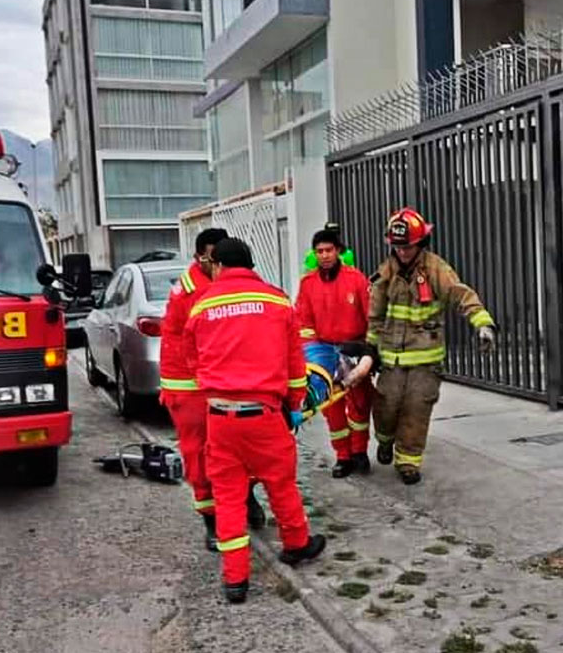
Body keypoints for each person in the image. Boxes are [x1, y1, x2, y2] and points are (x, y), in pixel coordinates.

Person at [184, 237, 326, 604]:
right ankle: (296, 544)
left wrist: (216, 386)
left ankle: (235, 581)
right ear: (250, 265)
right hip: (264, 414)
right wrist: (293, 403)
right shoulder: (276, 300)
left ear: (219, 266)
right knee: (280, 483)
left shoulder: (202, 304)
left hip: (220, 418)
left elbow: (191, 359)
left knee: (229, 498)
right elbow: (296, 365)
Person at [368, 208, 495, 485]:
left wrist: (482, 324)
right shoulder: (385, 271)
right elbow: (375, 314)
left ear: (420, 243)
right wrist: (370, 349)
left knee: (417, 408)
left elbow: (461, 294)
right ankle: (385, 440)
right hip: (392, 358)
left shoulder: (436, 268)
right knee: (386, 406)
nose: (402, 252)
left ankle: (408, 462)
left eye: (408, 246)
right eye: (398, 246)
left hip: (426, 359)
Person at [159, 227, 265, 551]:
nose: (217, 264)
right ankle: (211, 518)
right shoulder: (189, 291)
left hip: (224, 378)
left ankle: (245, 497)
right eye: (210, 259)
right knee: (200, 453)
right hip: (190, 386)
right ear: (199, 258)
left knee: (239, 445)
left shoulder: (234, 282)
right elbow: (188, 343)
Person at [295, 227, 375, 478]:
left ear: (338, 251)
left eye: (329, 250)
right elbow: (303, 323)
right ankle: (343, 455)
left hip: (353, 350)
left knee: (359, 405)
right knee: (333, 409)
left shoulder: (356, 279)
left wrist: (368, 349)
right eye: (319, 251)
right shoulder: (307, 284)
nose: (325, 255)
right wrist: (312, 356)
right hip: (324, 351)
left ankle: (360, 452)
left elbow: (371, 316)